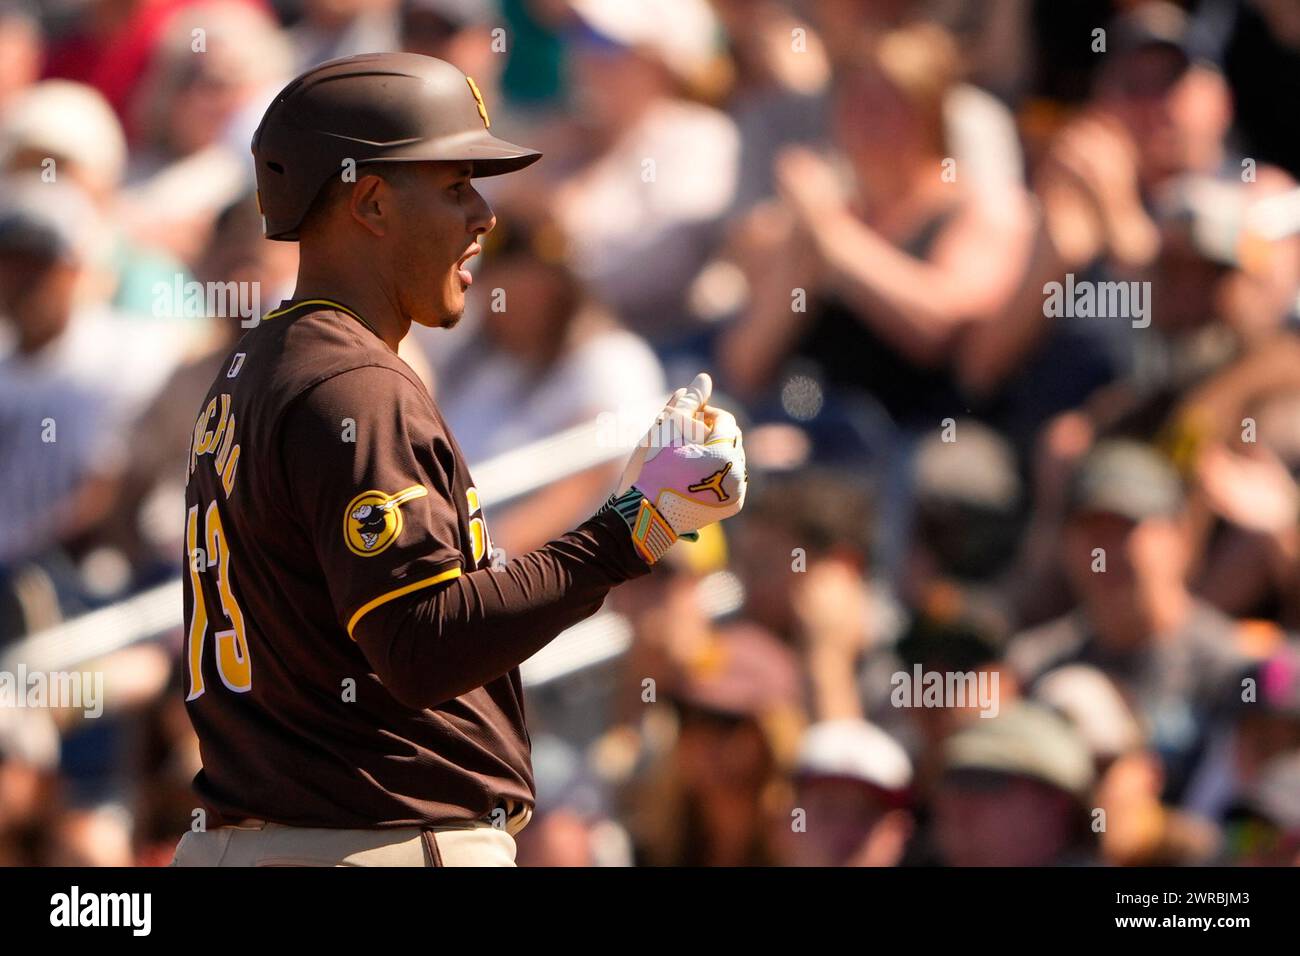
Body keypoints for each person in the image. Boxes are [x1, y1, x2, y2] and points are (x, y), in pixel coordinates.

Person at [169, 52, 748, 868]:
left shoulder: (262, 363)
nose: (484, 215)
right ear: (369, 200)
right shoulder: (353, 385)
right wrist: (637, 525)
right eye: (454, 188)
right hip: (370, 847)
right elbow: (423, 645)